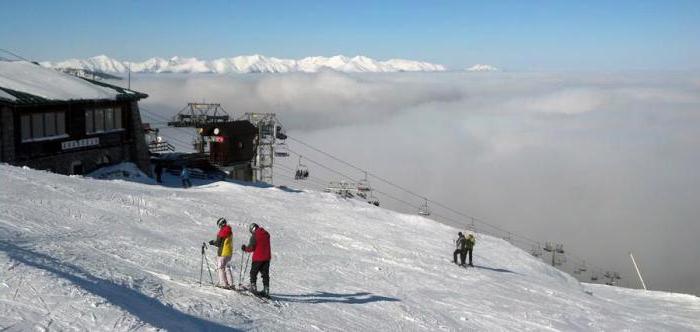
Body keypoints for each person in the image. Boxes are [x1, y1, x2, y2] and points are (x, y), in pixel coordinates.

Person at [242, 223, 271, 297]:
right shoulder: (266, 234)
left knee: (253, 272)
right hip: (267, 258)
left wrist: (245, 248)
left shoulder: (255, 236)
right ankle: (266, 289)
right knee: (265, 274)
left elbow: (251, 248)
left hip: (258, 257)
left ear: (252, 229)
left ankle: (253, 287)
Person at [209, 217, 233, 288]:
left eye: (219, 225)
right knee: (227, 268)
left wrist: (213, 242)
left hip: (223, 252)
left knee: (221, 268)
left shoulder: (222, 231)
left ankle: (223, 283)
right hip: (229, 252)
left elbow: (219, 243)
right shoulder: (229, 230)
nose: (219, 227)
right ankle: (230, 283)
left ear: (221, 224)